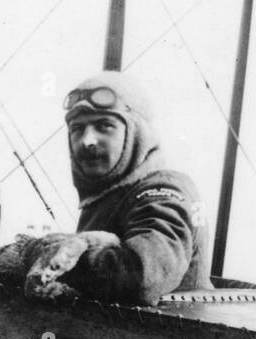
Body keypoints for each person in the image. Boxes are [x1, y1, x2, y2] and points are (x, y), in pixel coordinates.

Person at [55, 70, 213, 305]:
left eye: (104, 125)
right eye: (77, 129)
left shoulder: (164, 190)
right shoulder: (108, 196)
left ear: (137, 134)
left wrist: (44, 256)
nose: (87, 140)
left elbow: (140, 275)